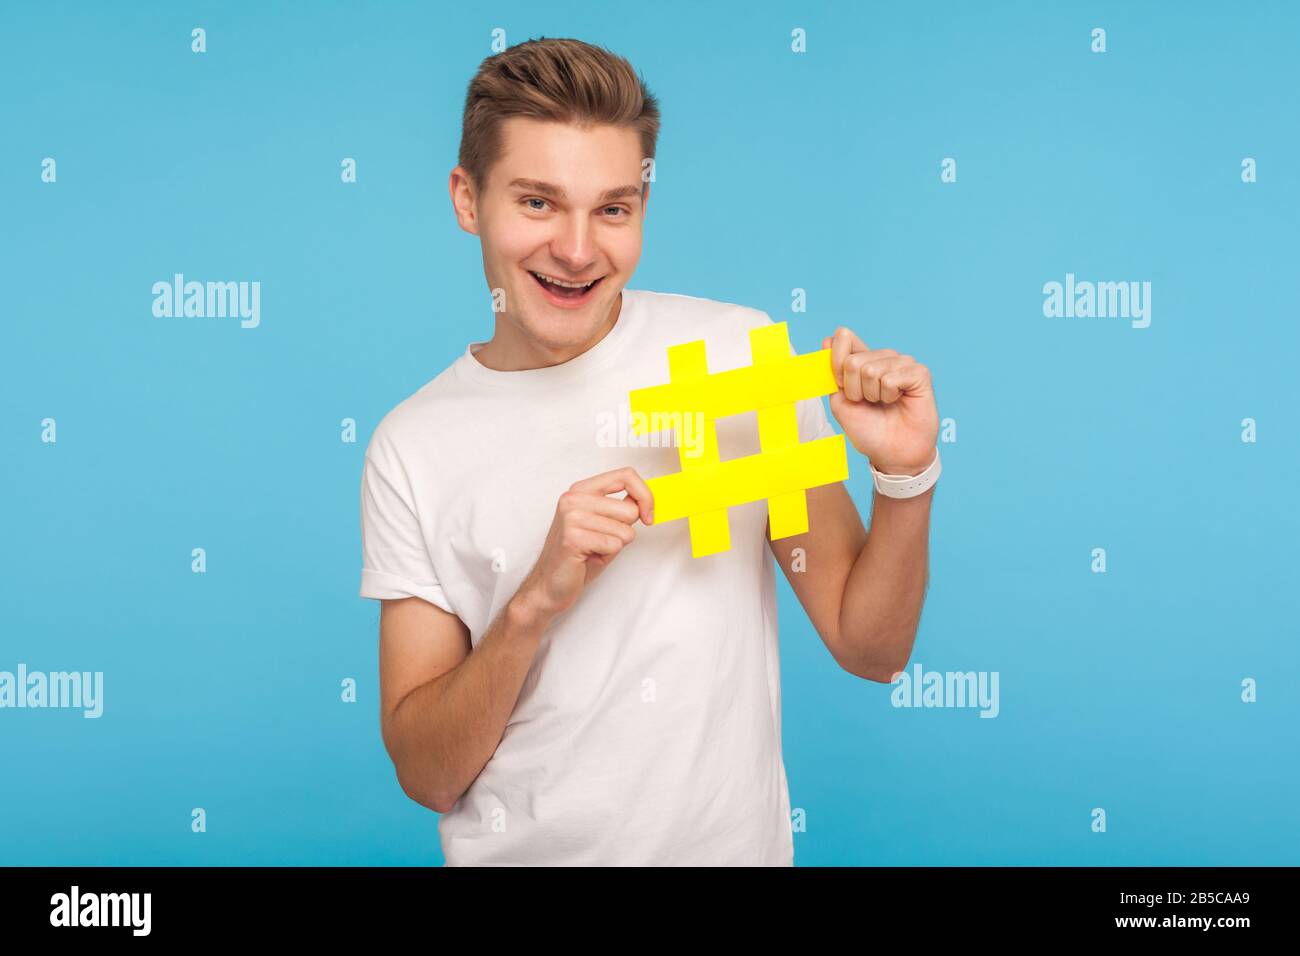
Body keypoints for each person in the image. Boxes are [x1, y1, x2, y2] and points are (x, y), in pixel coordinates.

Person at [359, 37, 942, 866]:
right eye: (536, 203)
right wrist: (532, 604)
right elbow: (427, 774)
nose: (575, 248)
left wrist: (904, 475)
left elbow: (870, 648)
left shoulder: (739, 356)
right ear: (466, 197)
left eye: (613, 208)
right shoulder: (410, 446)